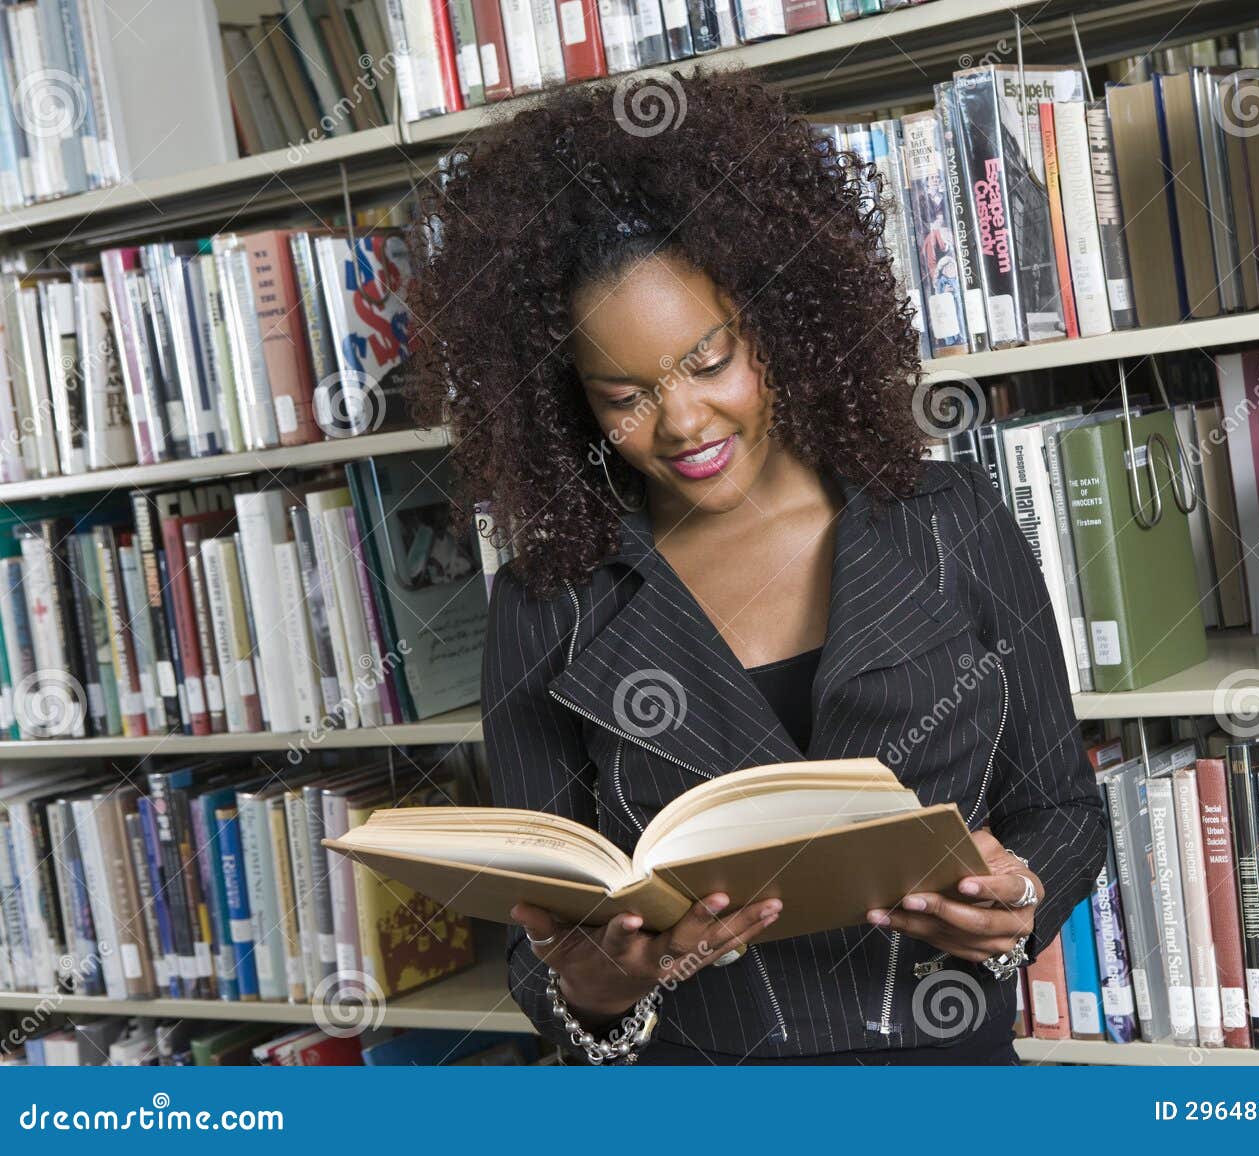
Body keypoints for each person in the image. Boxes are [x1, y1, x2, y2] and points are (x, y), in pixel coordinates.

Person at [407, 68, 1106, 1064]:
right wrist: (601, 984)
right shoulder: (549, 599)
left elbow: (1062, 810)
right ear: (568, 404)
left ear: (776, 324)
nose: (683, 422)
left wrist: (1021, 897)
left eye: (708, 361)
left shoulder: (950, 524)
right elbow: (540, 935)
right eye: (624, 395)